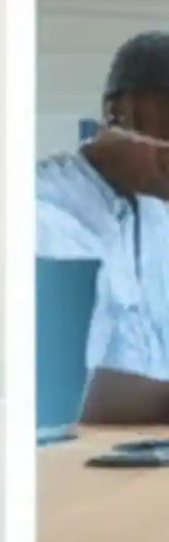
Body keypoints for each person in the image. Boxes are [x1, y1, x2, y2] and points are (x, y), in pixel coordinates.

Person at [38, 31, 169, 423]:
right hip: (76, 461)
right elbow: (67, 390)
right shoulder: (49, 206)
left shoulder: (158, 218)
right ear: (119, 115)